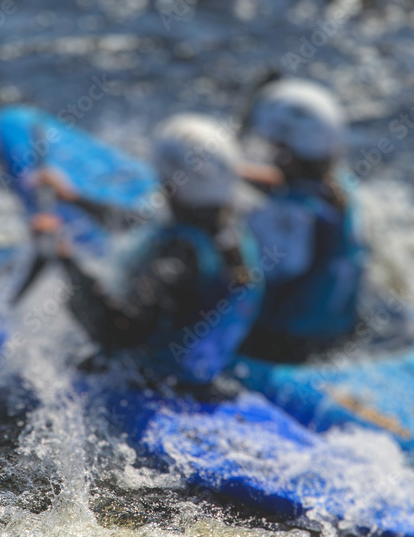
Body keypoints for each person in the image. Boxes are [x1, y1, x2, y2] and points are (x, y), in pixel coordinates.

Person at [31, 114, 264, 386]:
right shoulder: (232, 229)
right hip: (201, 376)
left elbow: (118, 331)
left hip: (150, 384)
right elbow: (141, 224)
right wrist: (73, 198)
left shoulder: (176, 260)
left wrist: (65, 259)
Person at [238, 78, 369, 363]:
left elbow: (251, 282)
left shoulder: (290, 219)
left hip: (289, 341)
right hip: (338, 325)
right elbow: (291, 184)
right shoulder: (342, 187)